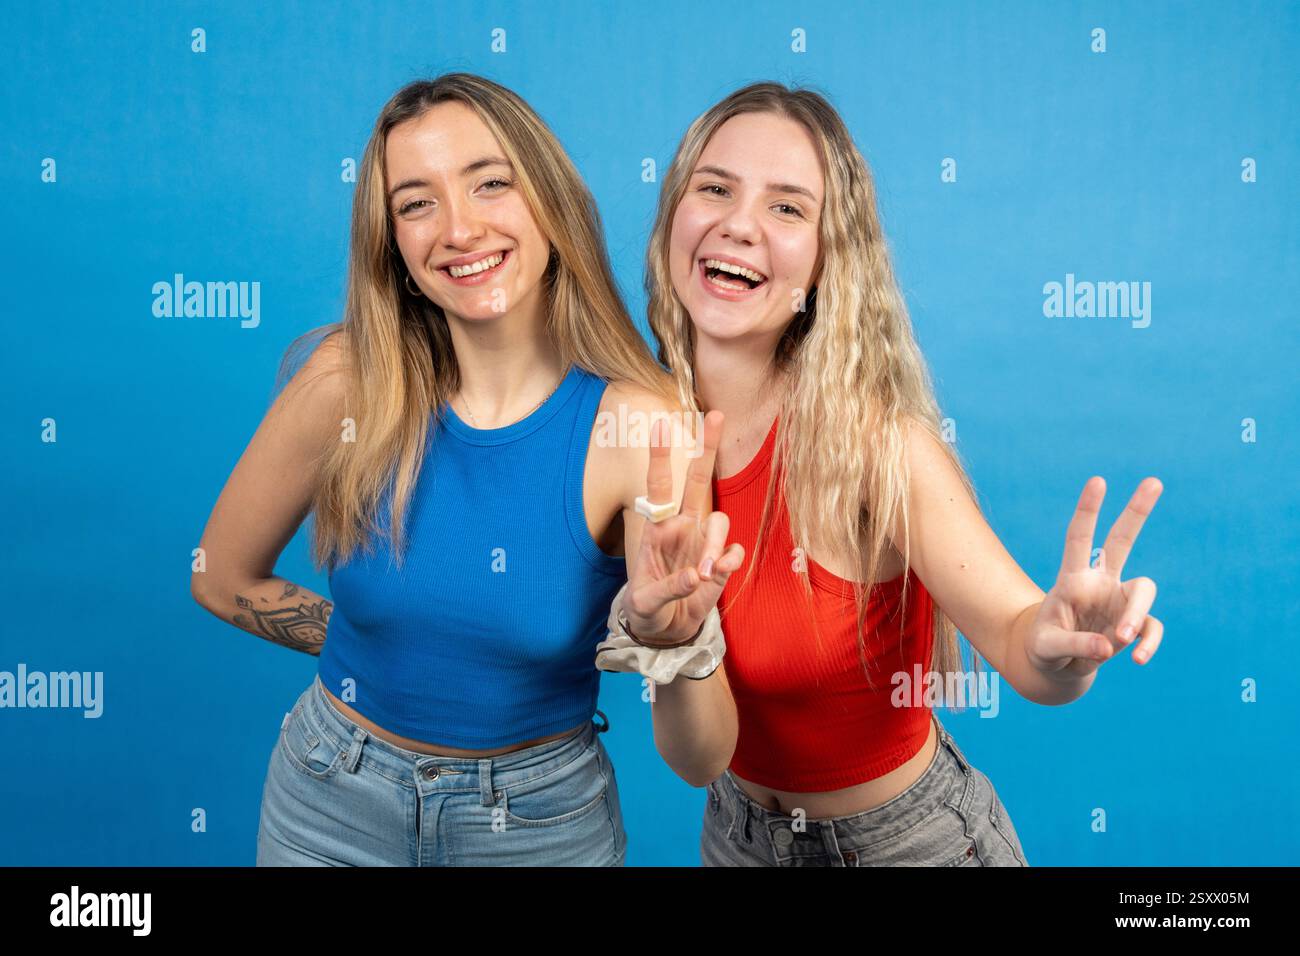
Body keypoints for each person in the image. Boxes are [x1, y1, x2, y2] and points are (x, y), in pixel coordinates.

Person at [611, 81, 1164, 867]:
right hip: (739, 841)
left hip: (910, 847)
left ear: (829, 260)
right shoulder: (649, 440)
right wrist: (675, 640)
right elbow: (699, 759)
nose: (738, 224)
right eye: (715, 188)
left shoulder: (877, 445)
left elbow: (1021, 642)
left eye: (787, 207)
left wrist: (1060, 642)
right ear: (673, 215)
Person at [190, 73, 715, 866]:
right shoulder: (345, 381)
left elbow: (702, 758)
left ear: (550, 200)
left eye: (490, 183)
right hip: (330, 797)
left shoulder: (645, 426)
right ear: (393, 244)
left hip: (537, 825)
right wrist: (389, 654)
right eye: (416, 202)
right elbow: (219, 575)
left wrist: (673, 641)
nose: (458, 228)